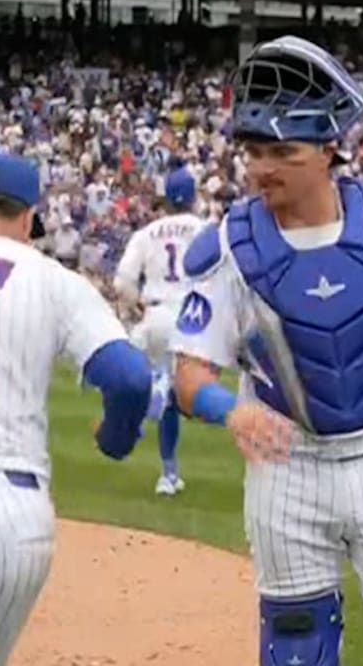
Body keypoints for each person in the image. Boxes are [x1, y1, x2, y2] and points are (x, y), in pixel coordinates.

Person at [168, 36, 363, 666]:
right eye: (253, 151)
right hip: (287, 470)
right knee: (297, 650)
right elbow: (189, 377)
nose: (262, 168)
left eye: (283, 151)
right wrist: (232, 410)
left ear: (330, 148)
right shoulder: (228, 247)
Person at [0, 152, 151, 666]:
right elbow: (129, 376)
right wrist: (115, 438)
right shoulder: (53, 279)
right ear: (28, 218)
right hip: (16, 523)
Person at [113, 166, 206, 495]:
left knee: (168, 394)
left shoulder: (147, 233)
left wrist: (136, 304)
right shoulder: (204, 229)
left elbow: (122, 281)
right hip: (191, 319)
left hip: (154, 315)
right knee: (193, 390)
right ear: (194, 197)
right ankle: (165, 389)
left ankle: (168, 475)